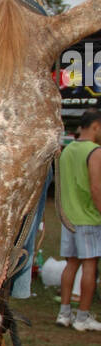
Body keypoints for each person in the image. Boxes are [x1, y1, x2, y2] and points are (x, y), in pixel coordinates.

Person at [56, 108, 101, 331]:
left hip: (69, 217)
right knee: (90, 264)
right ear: (96, 127)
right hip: (88, 217)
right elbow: (96, 187)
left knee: (71, 265)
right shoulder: (95, 152)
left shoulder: (67, 150)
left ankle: (64, 314)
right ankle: (82, 317)